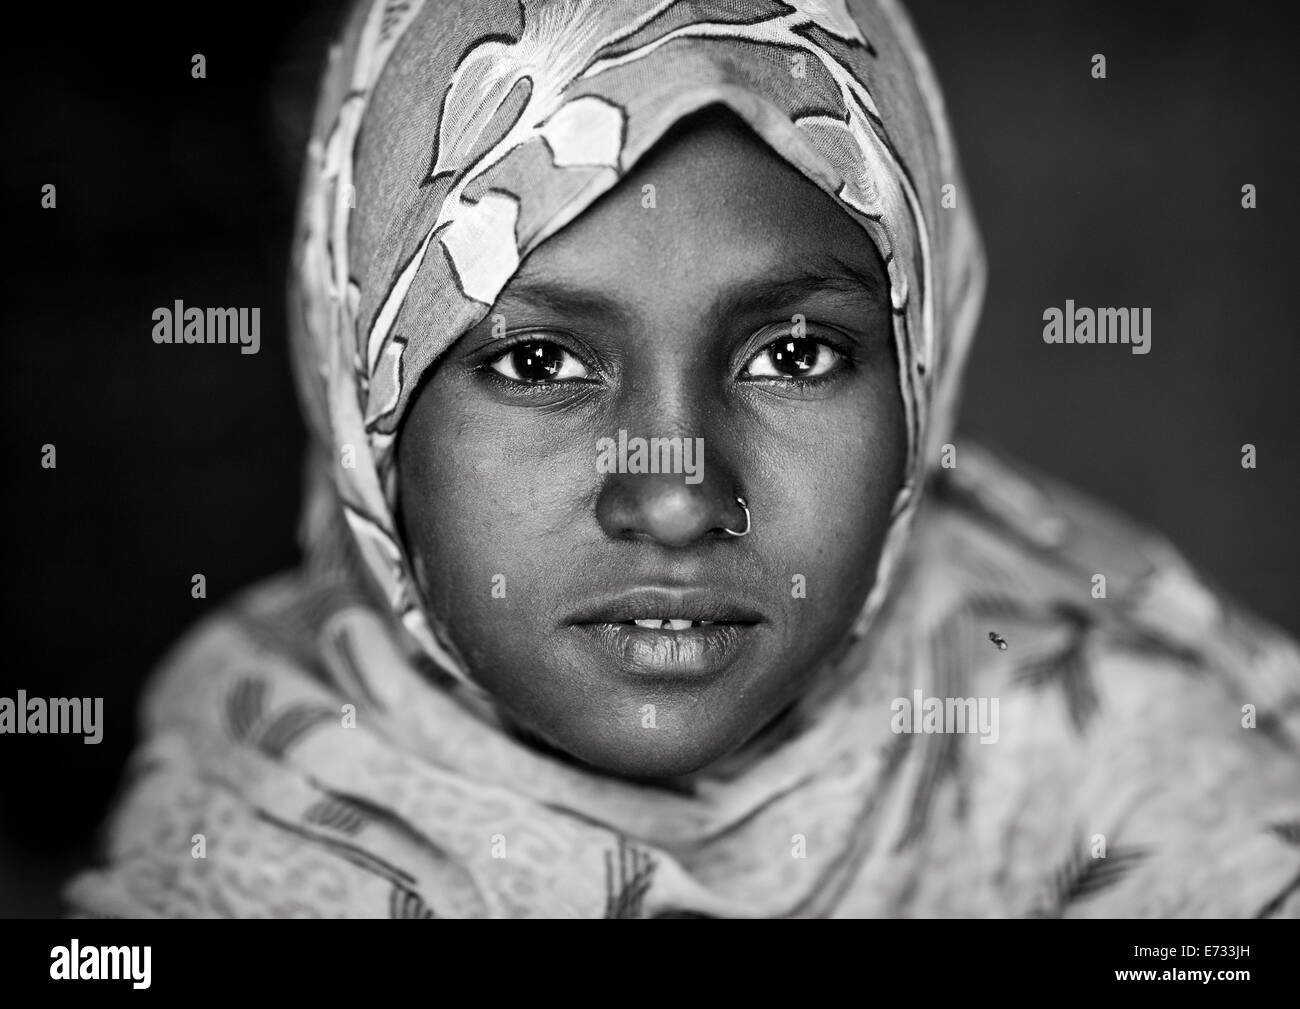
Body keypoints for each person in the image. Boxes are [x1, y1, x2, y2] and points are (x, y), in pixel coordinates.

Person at [66, 0, 1300, 918]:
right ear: (365, 409)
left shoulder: (1130, 758)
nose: (673, 492)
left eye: (797, 354)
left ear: (922, 382)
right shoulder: (244, 825)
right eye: (538, 363)